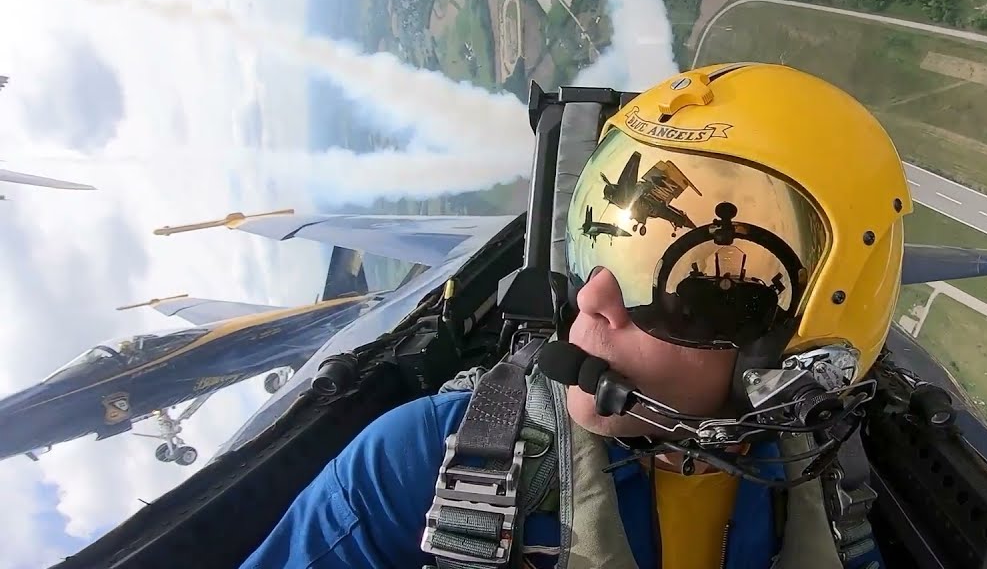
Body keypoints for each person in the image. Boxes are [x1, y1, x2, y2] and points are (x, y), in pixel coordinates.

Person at [241, 62, 914, 569]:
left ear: (800, 350)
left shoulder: (829, 487)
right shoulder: (419, 468)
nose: (591, 301)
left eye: (687, 288)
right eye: (601, 251)